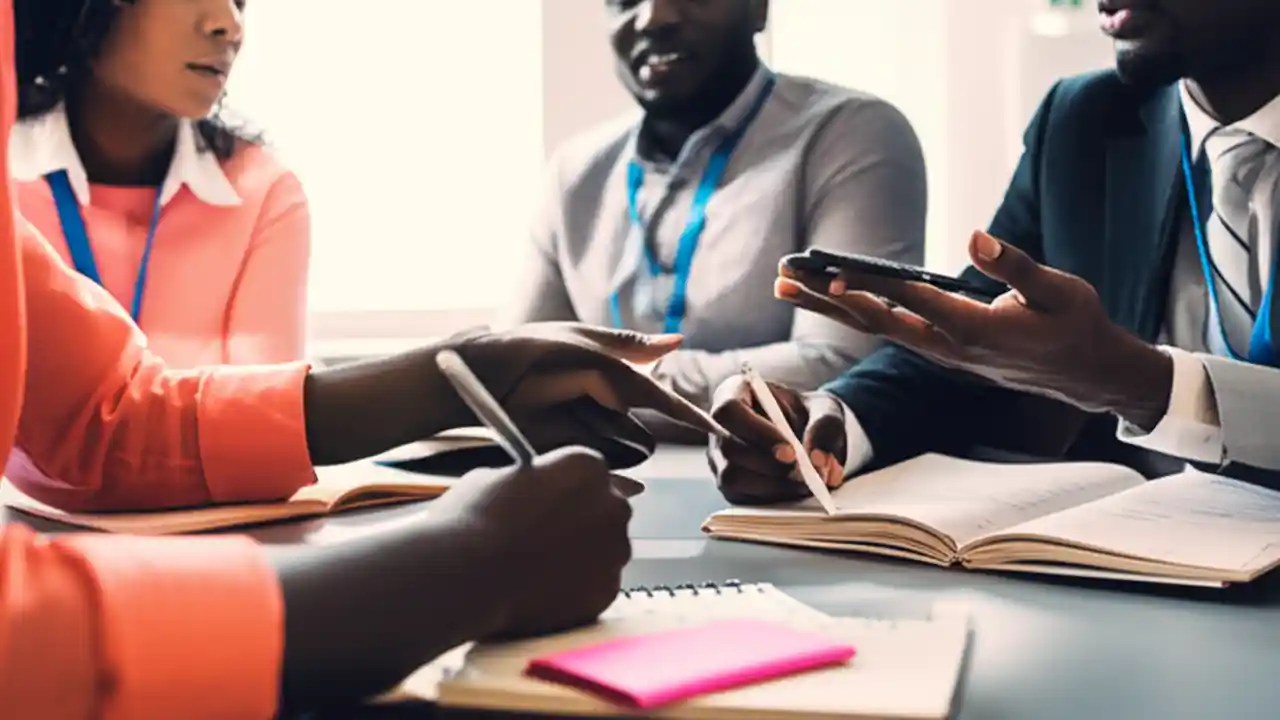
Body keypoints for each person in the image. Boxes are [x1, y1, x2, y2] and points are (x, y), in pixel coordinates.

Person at [0, 3, 723, 715]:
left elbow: (108, 418)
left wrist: (453, 375)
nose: (229, 23)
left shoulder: (261, 182)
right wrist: (462, 567)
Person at [710, 0, 1280, 502]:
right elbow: (975, 339)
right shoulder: (1088, 120)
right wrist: (833, 418)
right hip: (1158, 570)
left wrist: (1140, 382)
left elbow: (1106, 373)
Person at [504, 0, 927, 420]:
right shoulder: (575, 172)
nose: (653, 17)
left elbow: (841, 366)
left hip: (786, 483)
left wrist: (595, 381)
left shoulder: (852, 134)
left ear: (758, 8)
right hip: (594, 480)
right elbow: (513, 370)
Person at [13, 0, 309, 368]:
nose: (230, 26)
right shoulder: (8, 182)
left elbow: (266, 414)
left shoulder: (263, 195)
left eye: (238, 1)